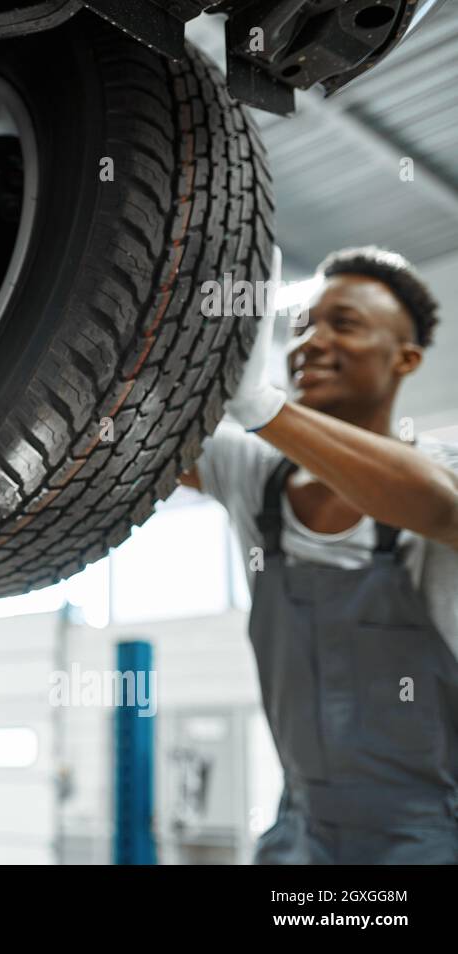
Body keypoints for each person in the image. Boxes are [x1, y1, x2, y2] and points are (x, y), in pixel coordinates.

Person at [182, 246, 458, 863]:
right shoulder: (254, 476)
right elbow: (129, 428)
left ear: (405, 358)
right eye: (301, 326)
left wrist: (264, 409)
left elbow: (441, 507)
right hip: (301, 832)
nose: (310, 342)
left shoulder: (439, 478)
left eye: (345, 324)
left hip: (432, 839)